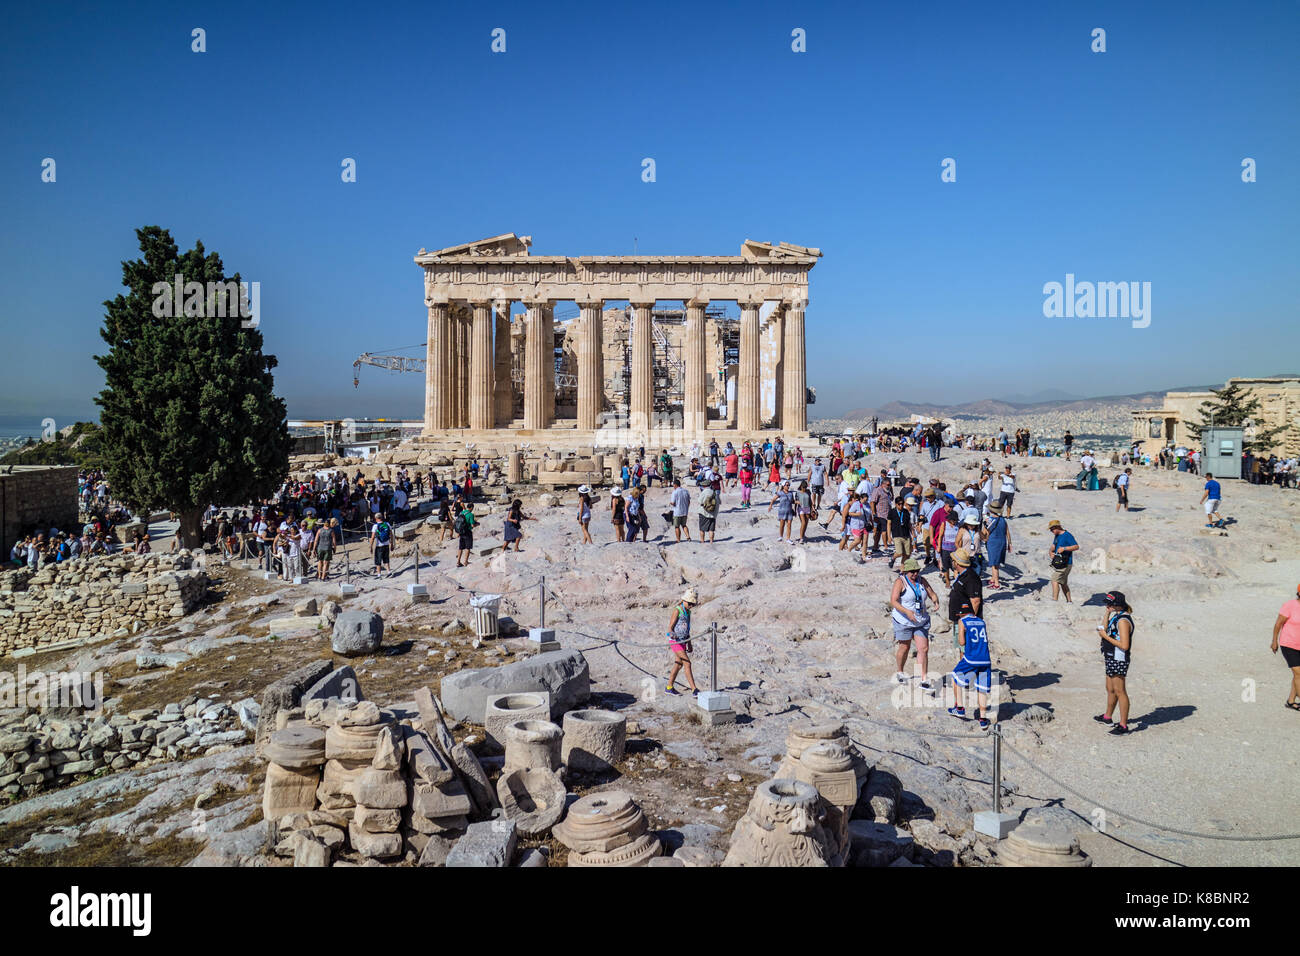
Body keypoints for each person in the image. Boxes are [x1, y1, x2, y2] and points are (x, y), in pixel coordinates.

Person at [890, 557, 938, 687]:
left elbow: (932, 593)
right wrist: (907, 612)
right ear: (906, 571)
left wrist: (935, 601)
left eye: (917, 571)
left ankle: (923, 679)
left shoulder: (922, 581)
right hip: (903, 620)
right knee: (904, 647)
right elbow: (893, 601)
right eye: (912, 571)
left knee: (923, 648)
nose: (915, 574)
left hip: (920, 620)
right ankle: (900, 671)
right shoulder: (900, 582)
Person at [949, 601, 993, 730]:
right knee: (982, 688)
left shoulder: (963, 621)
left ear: (962, 614)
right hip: (985, 659)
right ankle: (983, 719)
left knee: (955, 677)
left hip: (971, 658)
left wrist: (961, 635)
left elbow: (961, 642)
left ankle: (960, 708)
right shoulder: (981, 621)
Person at [1095, 590, 1135, 734]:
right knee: (1110, 688)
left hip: (1119, 658)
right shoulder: (1116, 616)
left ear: (1117, 604)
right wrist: (1107, 613)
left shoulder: (1123, 621)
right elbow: (1104, 628)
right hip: (1110, 656)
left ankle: (1123, 725)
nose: (1107, 605)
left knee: (1120, 691)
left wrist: (1105, 637)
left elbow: (1124, 645)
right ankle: (1107, 717)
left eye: (1109, 604)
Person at [665, 588, 701, 696]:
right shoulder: (677, 610)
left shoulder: (688, 612)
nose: (691, 606)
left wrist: (689, 643)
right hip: (675, 642)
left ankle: (669, 687)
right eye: (690, 603)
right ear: (685, 601)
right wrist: (673, 635)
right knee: (687, 663)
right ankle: (694, 689)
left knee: (678, 664)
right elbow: (670, 628)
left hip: (684, 641)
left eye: (693, 604)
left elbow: (687, 628)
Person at [1271, 584, 1300, 711]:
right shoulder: (1290, 605)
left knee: (1297, 675)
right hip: (1288, 644)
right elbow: (1278, 624)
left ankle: (1291, 701)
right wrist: (1274, 641)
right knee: (1299, 673)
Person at [948, 548, 983, 649]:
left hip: (965, 621)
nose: (952, 562)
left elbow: (975, 601)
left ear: (957, 563)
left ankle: (966, 665)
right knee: (961, 649)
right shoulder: (962, 575)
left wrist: (969, 623)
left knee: (966, 650)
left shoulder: (971, 578)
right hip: (960, 619)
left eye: (953, 560)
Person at [1047, 519, 1078, 602]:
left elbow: (1076, 546)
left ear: (1057, 527)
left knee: (1054, 579)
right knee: (1063, 583)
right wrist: (1050, 552)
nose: (1051, 531)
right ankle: (1069, 601)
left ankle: (1054, 600)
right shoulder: (1057, 536)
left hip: (1066, 563)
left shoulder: (1068, 535)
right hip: (1059, 563)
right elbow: (1053, 546)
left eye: (1052, 529)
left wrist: (1064, 548)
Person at [984, 502, 1010, 589]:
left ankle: (996, 583)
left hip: (993, 543)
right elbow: (1007, 532)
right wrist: (1009, 543)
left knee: (994, 564)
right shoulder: (1003, 520)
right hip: (1002, 542)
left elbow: (986, 533)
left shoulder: (989, 520)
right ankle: (993, 578)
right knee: (996, 562)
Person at [887, 495, 913, 569]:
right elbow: (889, 524)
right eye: (899, 504)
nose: (901, 506)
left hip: (906, 535)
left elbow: (909, 524)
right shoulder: (892, 512)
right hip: (897, 534)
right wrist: (889, 536)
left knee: (907, 554)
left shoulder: (906, 512)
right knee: (899, 552)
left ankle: (902, 570)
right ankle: (893, 559)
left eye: (902, 504)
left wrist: (913, 533)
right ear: (895, 504)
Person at [454, 501, 476, 566]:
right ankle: (466, 561)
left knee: (460, 547)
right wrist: (476, 524)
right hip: (467, 532)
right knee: (468, 547)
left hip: (461, 532)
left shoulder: (462, 512)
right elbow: (472, 525)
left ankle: (458, 562)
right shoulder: (471, 514)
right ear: (471, 507)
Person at [670, 478, 692, 542]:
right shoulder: (686, 491)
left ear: (675, 485)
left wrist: (671, 503)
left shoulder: (675, 492)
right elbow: (688, 501)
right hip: (685, 511)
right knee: (684, 525)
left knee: (677, 526)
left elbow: (673, 502)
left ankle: (678, 539)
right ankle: (688, 537)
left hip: (677, 511)